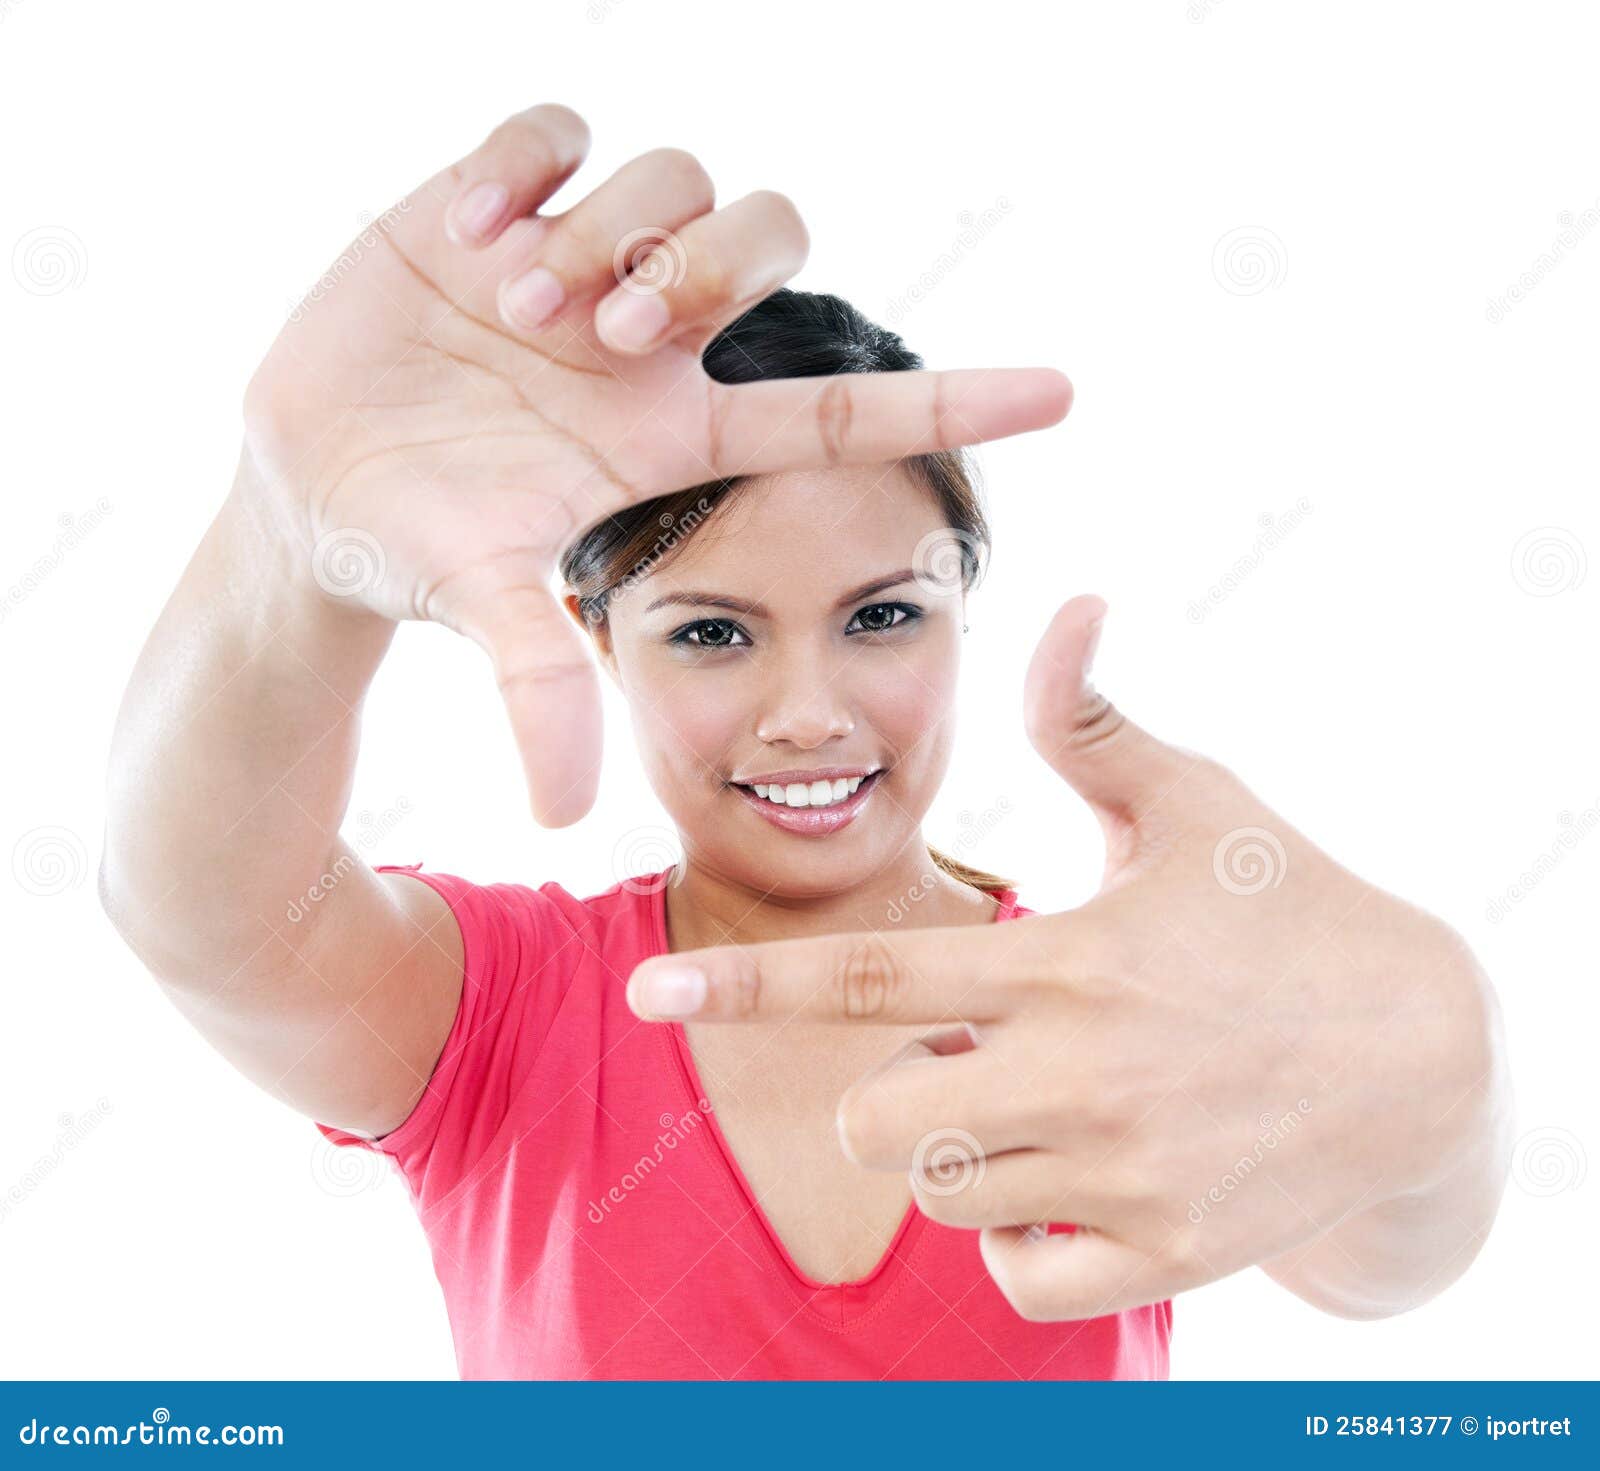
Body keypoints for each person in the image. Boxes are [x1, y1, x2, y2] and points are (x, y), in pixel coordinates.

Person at [98, 103, 1509, 1379]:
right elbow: (200, 908)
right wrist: (296, 533)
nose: (811, 712)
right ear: (604, 640)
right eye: (712, 632)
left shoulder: (1105, 1016)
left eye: (883, 616)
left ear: (964, 607)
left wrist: (1444, 1068)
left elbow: (1383, 1264)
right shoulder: (502, 1018)